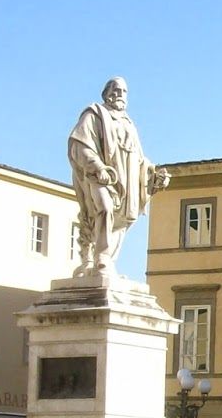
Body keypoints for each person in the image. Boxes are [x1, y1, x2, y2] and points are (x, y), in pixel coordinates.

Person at [67, 76, 169, 281]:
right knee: (104, 209)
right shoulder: (95, 114)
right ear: (106, 94)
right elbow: (79, 145)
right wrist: (97, 166)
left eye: (123, 91)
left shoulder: (129, 123)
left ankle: (106, 263)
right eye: (115, 89)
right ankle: (101, 258)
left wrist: (155, 175)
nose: (119, 94)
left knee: (125, 219)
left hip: (127, 179)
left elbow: (139, 157)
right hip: (100, 176)